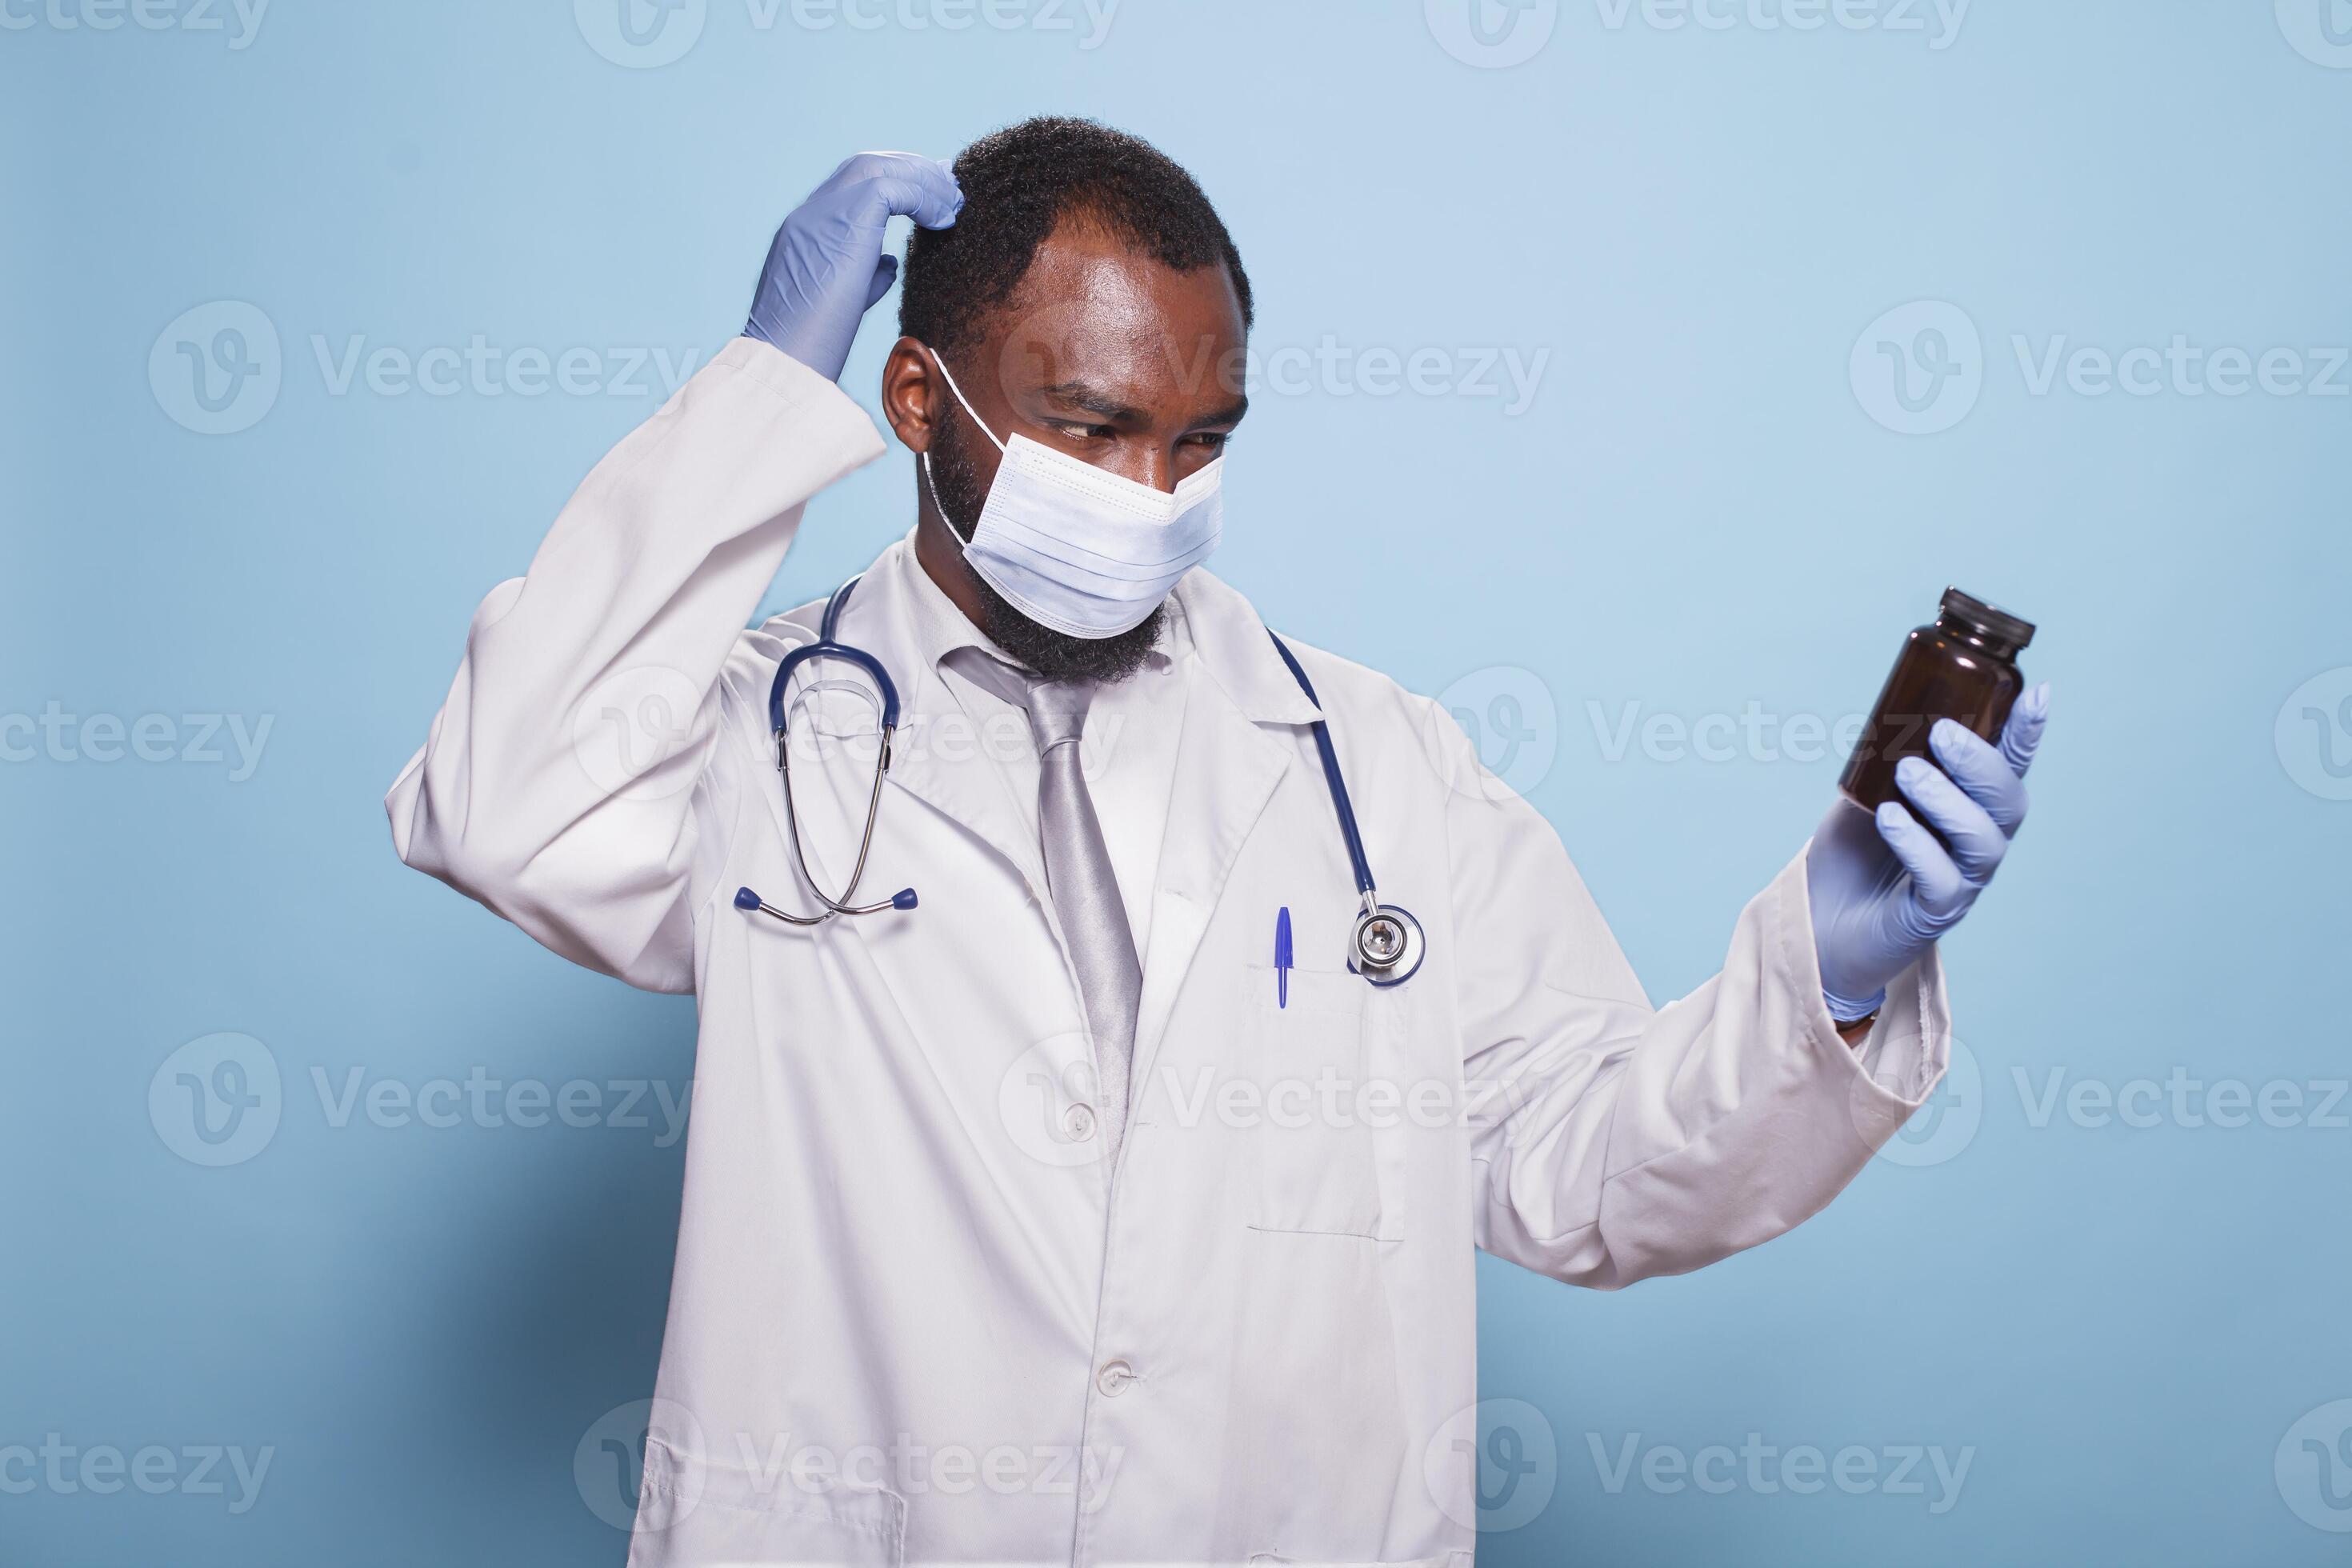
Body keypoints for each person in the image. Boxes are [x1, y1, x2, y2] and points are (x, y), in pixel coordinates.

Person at [386, 118, 2048, 1568]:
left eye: (1200, 440)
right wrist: (757, 401)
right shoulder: (757, 735)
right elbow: (506, 793)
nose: (1150, 491)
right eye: (1092, 427)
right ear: (915, 395)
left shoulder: (1374, 768)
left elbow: (1592, 1170)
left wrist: (1825, 978)